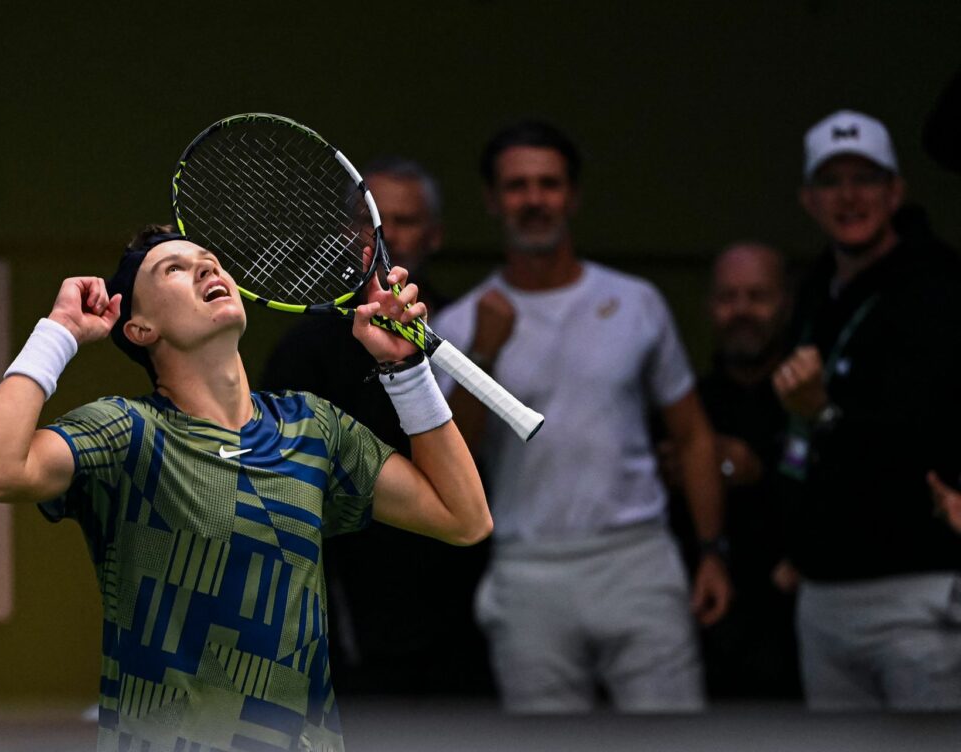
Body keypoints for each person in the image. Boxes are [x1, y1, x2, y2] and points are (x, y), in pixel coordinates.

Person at [0, 226, 491, 752]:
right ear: (140, 328)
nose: (208, 270)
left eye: (210, 261)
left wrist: (407, 371)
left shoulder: (311, 428)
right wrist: (57, 333)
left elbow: (463, 517)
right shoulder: (127, 432)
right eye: (175, 270)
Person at [430, 120, 731, 713]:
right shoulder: (461, 326)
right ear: (493, 201)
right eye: (517, 187)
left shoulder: (636, 302)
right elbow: (451, 459)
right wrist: (484, 355)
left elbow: (693, 434)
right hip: (528, 567)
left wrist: (713, 550)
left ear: (573, 196)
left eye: (549, 184)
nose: (534, 200)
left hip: (637, 557)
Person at [262, 159, 491, 696]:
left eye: (406, 221)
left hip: (461, 586)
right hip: (355, 598)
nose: (389, 235)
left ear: (434, 235)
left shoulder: (463, 327)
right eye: (375, 220)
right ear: (351, 234)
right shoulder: (307, 345)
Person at [774, 110, 961, 710]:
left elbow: (924, 429)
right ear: (808, 199)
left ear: (896, 191)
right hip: (824, 592)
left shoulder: (939, 288)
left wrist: (826, 414)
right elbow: (796, 429)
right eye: (832, 181)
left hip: (915, 588)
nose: (849, 196)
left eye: (866, 178)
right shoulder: (815, 287)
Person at [662, 243, 802, 701]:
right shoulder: (685, 404)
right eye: (728, 297)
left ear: (786, 303)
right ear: (708, 308)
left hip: (793, 627)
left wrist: (760, 471)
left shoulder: (808, 401)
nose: (742, 310)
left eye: (757, 296)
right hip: (700, 626)